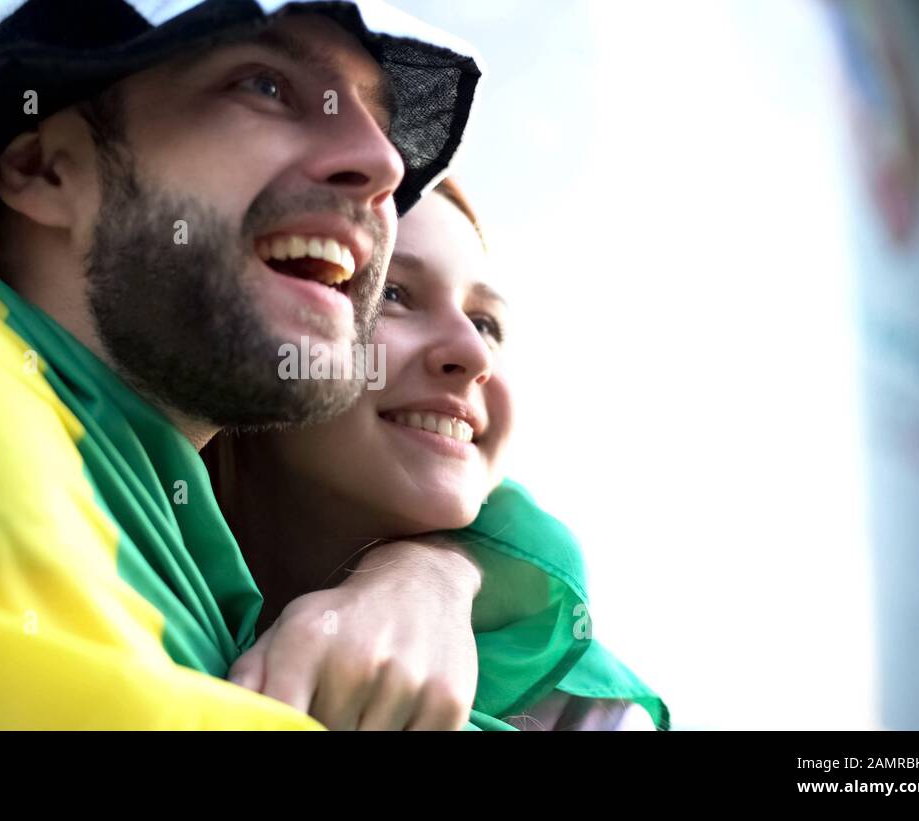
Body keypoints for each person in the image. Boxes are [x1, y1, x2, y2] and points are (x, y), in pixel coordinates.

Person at [0, 0, 491, 729]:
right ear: (42, 169)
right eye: (266, 86)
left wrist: (433, 570)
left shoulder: (151, 507)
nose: (384, 165)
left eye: (379, 120)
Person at [211, 179, 669, 730]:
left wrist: (434, 575)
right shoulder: (112, 533)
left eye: (486, 324)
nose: (474, 353)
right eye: (393, 293)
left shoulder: (586, 713)